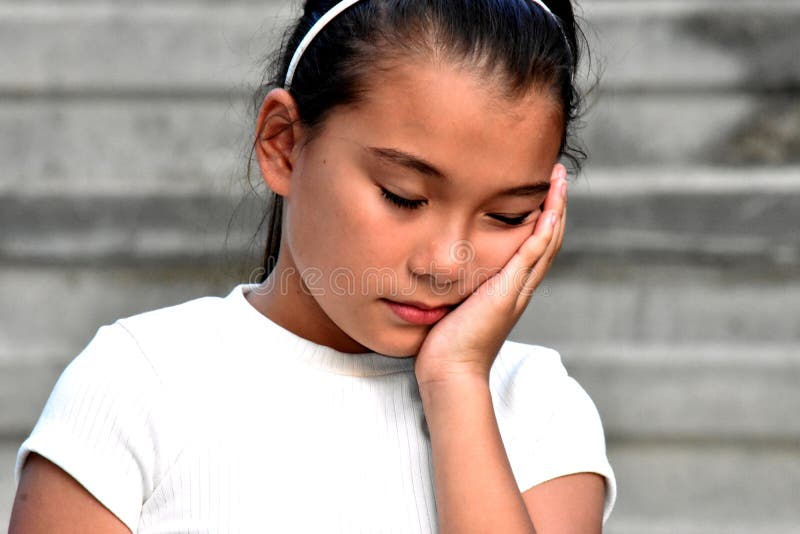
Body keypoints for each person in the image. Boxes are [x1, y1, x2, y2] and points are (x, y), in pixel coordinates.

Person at [9, 0, 617, 532]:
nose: (446, 263)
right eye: (403, 196)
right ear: (283, 144)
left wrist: (457, 381)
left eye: (508, 215)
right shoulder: (138, 386)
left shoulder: (538, 409)